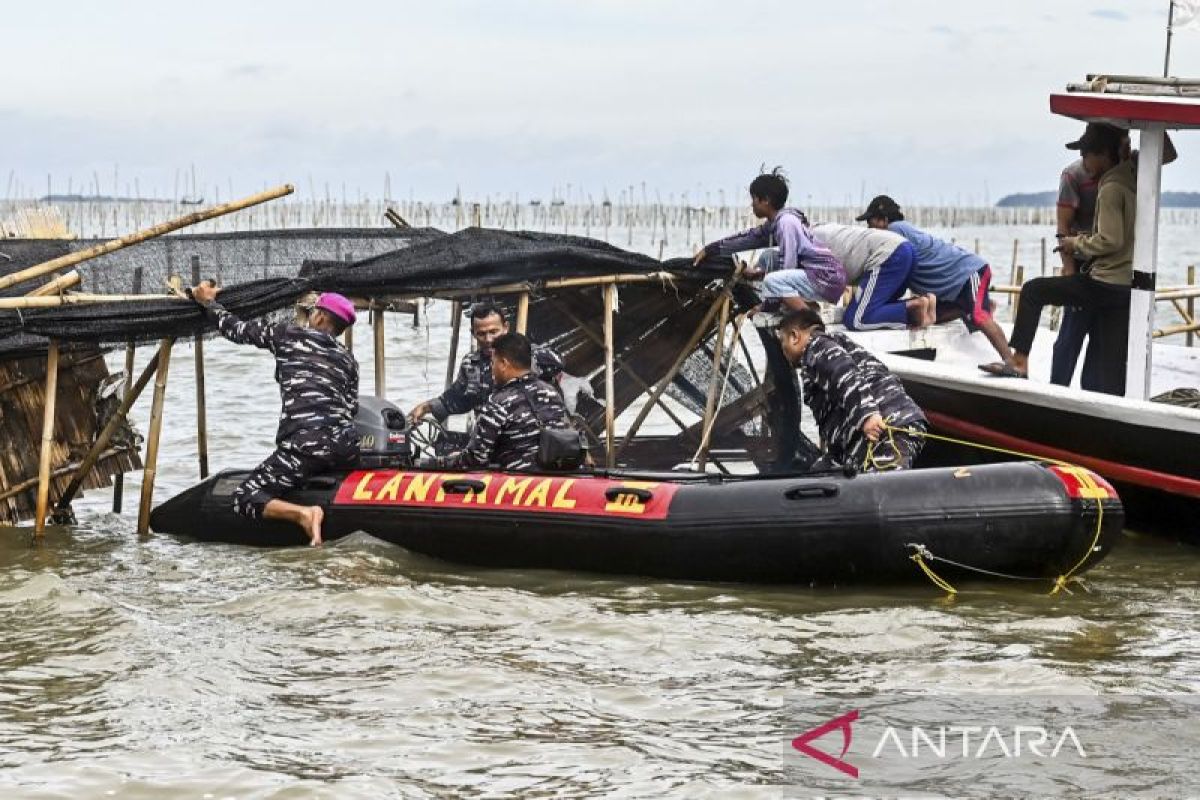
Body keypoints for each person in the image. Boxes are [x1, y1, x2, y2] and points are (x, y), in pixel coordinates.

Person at [190, 284, 360, 546]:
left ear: (320, 317)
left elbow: (237, 330)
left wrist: (208, 303)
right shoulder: (349, 360)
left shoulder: (289, 335)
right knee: (314, 460)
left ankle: (305, 513)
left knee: (246, 496)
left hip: (305, 446)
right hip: (345, 448)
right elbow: (351, 408)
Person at [981, 124, 1134, 394]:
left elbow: (1110, 239)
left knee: (1033, 291)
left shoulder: (1110, 185)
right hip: (1126, 285)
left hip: (1103, 280)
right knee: (1105, 361)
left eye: (1087, 155)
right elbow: (1167, 152)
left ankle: (1019, 362)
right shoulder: (1134, 174)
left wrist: (1075, 244)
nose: (1084, 163)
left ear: (1101, 153)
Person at [1052, 123, 1176, 388]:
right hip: (1084, 261)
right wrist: (1069, 270)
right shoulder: (1074, 175)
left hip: (1115, 267)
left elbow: (1167, 154)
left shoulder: (1130, 166)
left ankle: (1093, 393)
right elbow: (1063, 228)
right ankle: (1056, 389)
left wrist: (1152, 121)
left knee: (1103, 340)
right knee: (1070, 336)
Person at [858, 195, 1016, 366]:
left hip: (968, 272)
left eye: (870, 221)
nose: (868, 228)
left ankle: (1011, 362)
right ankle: (973, 305)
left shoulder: (893, 231)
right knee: (932, 316)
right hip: (954, 284)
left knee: (978, 316)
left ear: (884, 220)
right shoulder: (899, 231)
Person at [776, 306, 927, 471]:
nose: (783, 352)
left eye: (782, 344)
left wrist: (867, 416)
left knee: (881, 487)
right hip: (861, 441)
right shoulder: (824, 350)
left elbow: (844, 373)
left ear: (794, 336)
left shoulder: (818, 347)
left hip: (888, 427)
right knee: (819, 474)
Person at [693, 168, 846, 311]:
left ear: (765, 200)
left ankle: (808, 319)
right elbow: (748, 238)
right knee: (768, 257)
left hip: (826, 279)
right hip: (813, 275)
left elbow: (788, 267)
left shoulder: (787, 223)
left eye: (754, 199)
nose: (751, 204)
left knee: (772, 281)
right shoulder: (775, 223)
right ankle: (801, 304)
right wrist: (711, 249)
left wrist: (765, 307)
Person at [409, 302, 564, 423]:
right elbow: (458, 398)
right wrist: (427, 407)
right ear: (473, 333)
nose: (488, 340)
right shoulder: (471, 364)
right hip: (489, 437)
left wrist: (521, 352)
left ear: (505, 327)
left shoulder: (528, 354)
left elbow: (558, 363)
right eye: (481, 334)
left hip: (529, 436)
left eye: (493, 332)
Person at [443, 333, 573, 471]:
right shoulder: (551, 392)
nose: (492, 369)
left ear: (504, 364)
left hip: (519, 482)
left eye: (493, 363)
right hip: (557, 477)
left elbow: (476, 459)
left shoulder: (498, 401)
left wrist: (448, 461)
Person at [810, 222, 935, 330]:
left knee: (855, 319)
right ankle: (922, 304)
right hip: (905, 249)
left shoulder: (801, 243)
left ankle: (912, 310)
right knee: (880, 306)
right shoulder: (814, 231)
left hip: (888, 255)